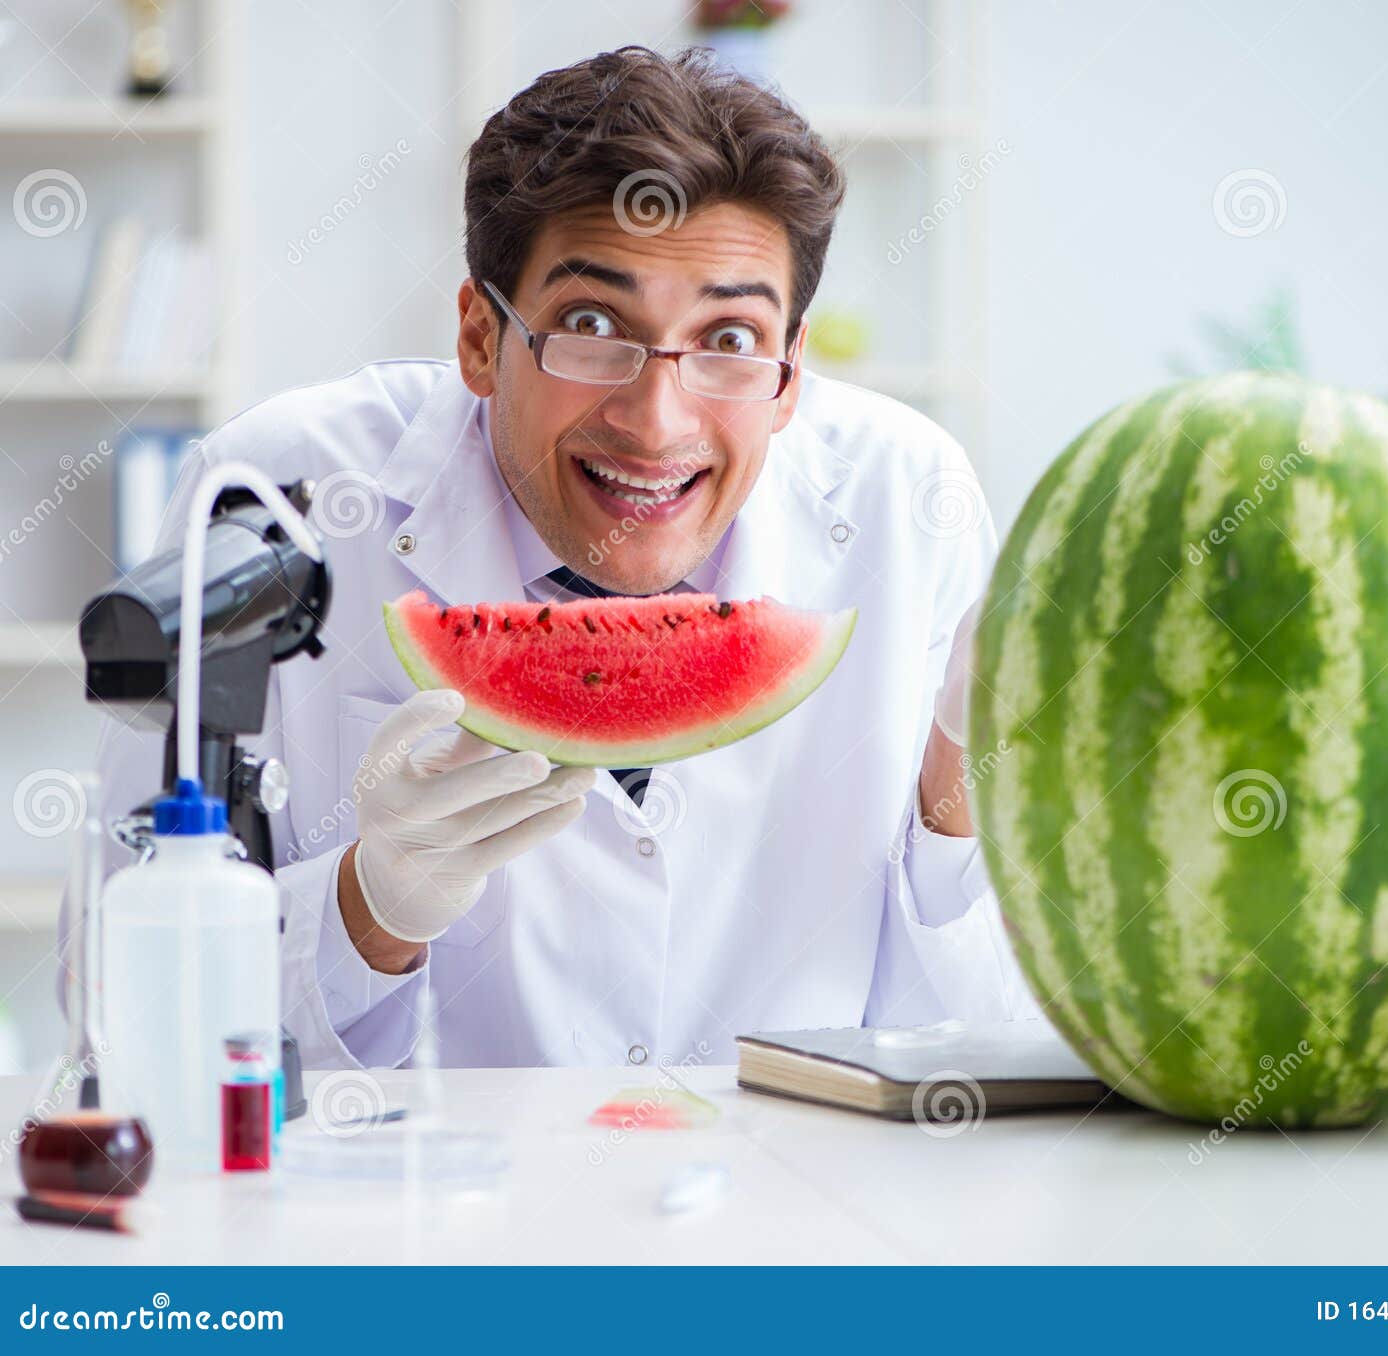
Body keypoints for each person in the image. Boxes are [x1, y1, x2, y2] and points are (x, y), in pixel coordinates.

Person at [92, 46, 1037, 1070]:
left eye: (728, 338)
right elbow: (116, 1017)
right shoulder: (276, 487)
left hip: (789, 1216)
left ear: (791, 373)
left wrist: (958, 801)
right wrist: (369, 907)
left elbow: (977, 1044)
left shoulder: (909, 500)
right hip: (415, 1224)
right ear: (478, 338)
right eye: (591, 326)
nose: (654, 419)